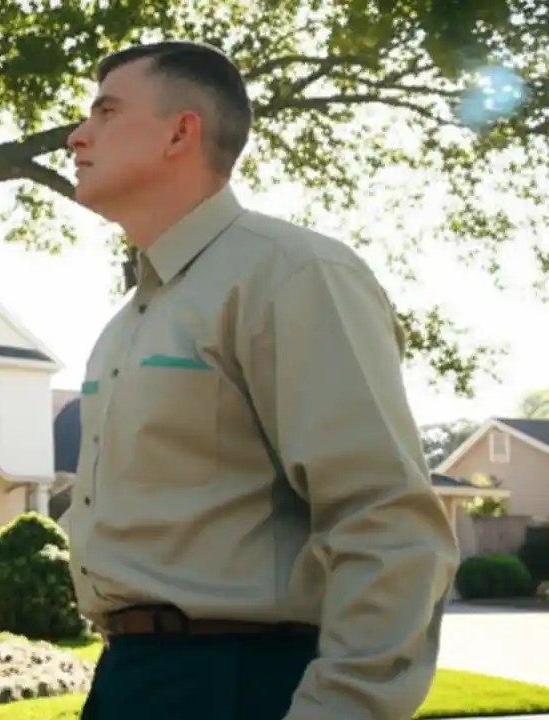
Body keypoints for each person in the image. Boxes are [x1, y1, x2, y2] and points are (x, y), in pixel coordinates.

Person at [62, 40, 460, 720]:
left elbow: (385, 520)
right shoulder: (126, 323)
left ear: (180, 132)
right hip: (128, 681)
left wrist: (341, 709)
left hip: (241, 686)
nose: (77, 134)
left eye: (105, 110)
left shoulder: (294, 275)